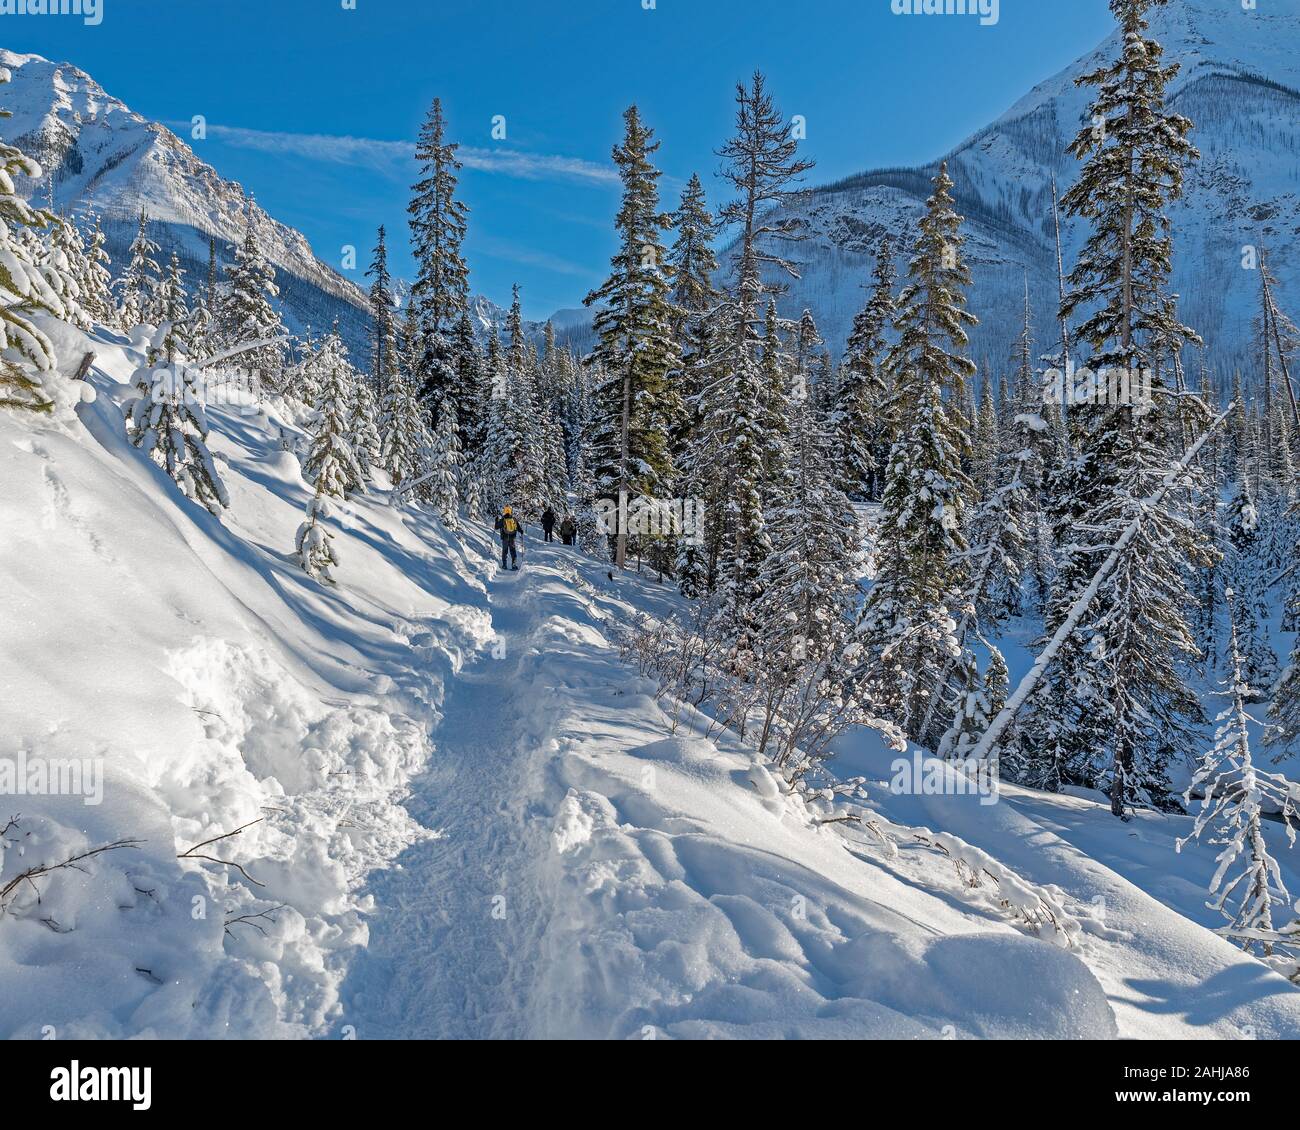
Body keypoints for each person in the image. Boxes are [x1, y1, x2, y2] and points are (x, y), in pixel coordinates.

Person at [494, 505, 522, 570]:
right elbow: (518, 528)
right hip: (512, 538)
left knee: (505, 552)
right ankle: (514, 565)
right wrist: (521, 531)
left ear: (504, 511)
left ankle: (504, 565)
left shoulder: (503, 519)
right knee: (513, 551)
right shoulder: (514, 519)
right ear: (510, 511)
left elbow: (496, 527)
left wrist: (496, 521)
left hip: (504, 538)